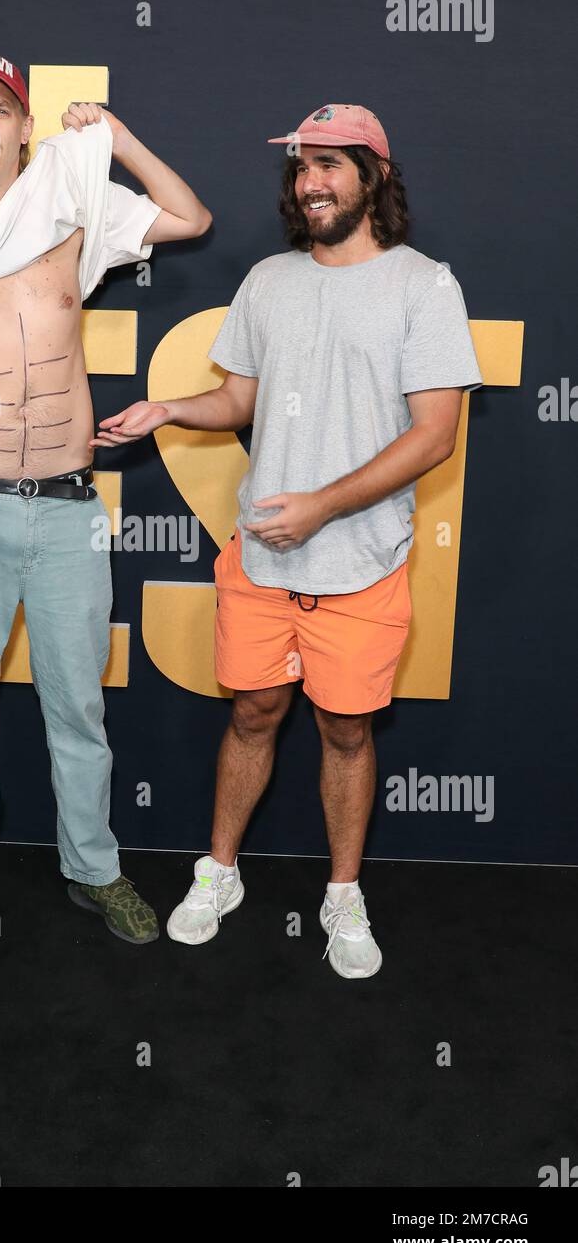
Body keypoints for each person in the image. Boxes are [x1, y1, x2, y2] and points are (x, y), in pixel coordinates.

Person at [90, 102, 483, 979]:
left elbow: (435, 436)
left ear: (374, 176)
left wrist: (325, 506)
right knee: (253, 713)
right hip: (262, 559)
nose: (311, 182)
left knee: (347, 732)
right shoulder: (269, 280)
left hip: (361, 563)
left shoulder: (426, 285)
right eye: (302, 167)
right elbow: (241, 400)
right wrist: (170, 410)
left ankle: (343, 892)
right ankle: (220, 872)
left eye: (331, 165)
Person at [0, 50, 211, 978]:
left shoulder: (69, 210)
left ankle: (94, 870)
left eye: (0, 110)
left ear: (26, 127)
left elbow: (190, 216)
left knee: (79, 709)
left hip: (66, 510)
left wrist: (117, 138)